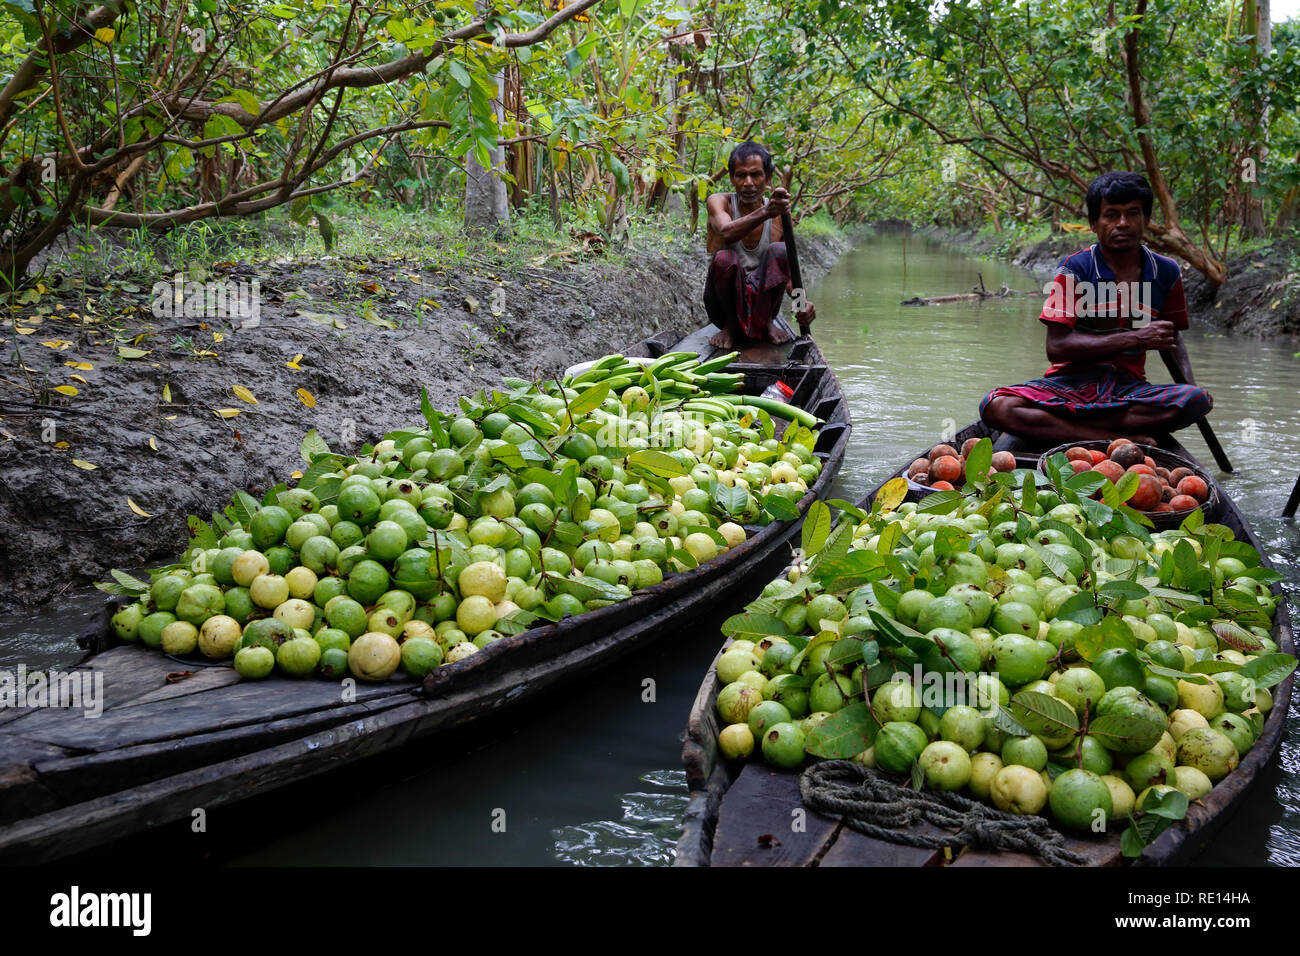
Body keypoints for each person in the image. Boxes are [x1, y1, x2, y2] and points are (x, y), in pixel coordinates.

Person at [979, 171, 1212, 447]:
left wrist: (1190, 383)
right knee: (996, 406)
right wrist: (1135, 338)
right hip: (1069, 386)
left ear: (1146, 220)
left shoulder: (1166, 271)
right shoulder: (1076, 268)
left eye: (1132, 213)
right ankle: (1107, 436)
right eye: (1111, 215)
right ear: (1094, 223)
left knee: (1197, 400)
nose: (1122, 223)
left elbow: (1171, 337)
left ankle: (1065, 426)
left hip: (1128, 390)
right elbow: (1057, 348)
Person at [704, 141, 816, 348]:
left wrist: (802, 304)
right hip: (723, 307)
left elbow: (789, 275)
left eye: (755, 175)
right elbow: (727, 232)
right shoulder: (720, 202)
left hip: (763, 305)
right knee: (724, 259)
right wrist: (766, 212)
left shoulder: (780, 218)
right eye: (741, 175)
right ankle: (731, 327)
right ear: (732, 178)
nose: (748, 183)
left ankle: (765, 324)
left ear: (768, 177)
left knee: (781, 251)